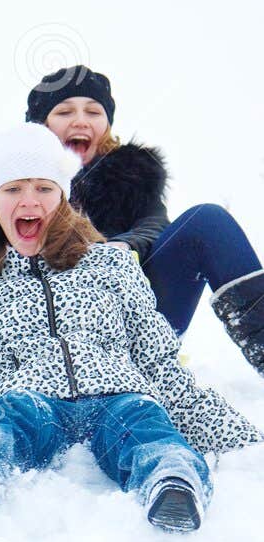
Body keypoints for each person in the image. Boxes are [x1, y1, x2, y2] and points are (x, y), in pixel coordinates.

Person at [0, 124, 259, 533]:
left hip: (118, 395)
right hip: (25, 398)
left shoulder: (111, 266)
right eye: (13, 189)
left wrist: (243, 442)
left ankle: (172, 484)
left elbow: (160, 366)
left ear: (63, 198)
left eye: (44, 189)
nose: (29, 200)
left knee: (151, 432)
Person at [20, 66, 264, 375]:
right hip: (50, 345)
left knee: (207, 220)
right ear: (40, 126)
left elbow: (154, 224)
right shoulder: (13, 187)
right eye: (65, 111)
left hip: (136, 330)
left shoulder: (133, 177)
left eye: (93, 112)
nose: (81, 120)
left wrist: (123, 245)